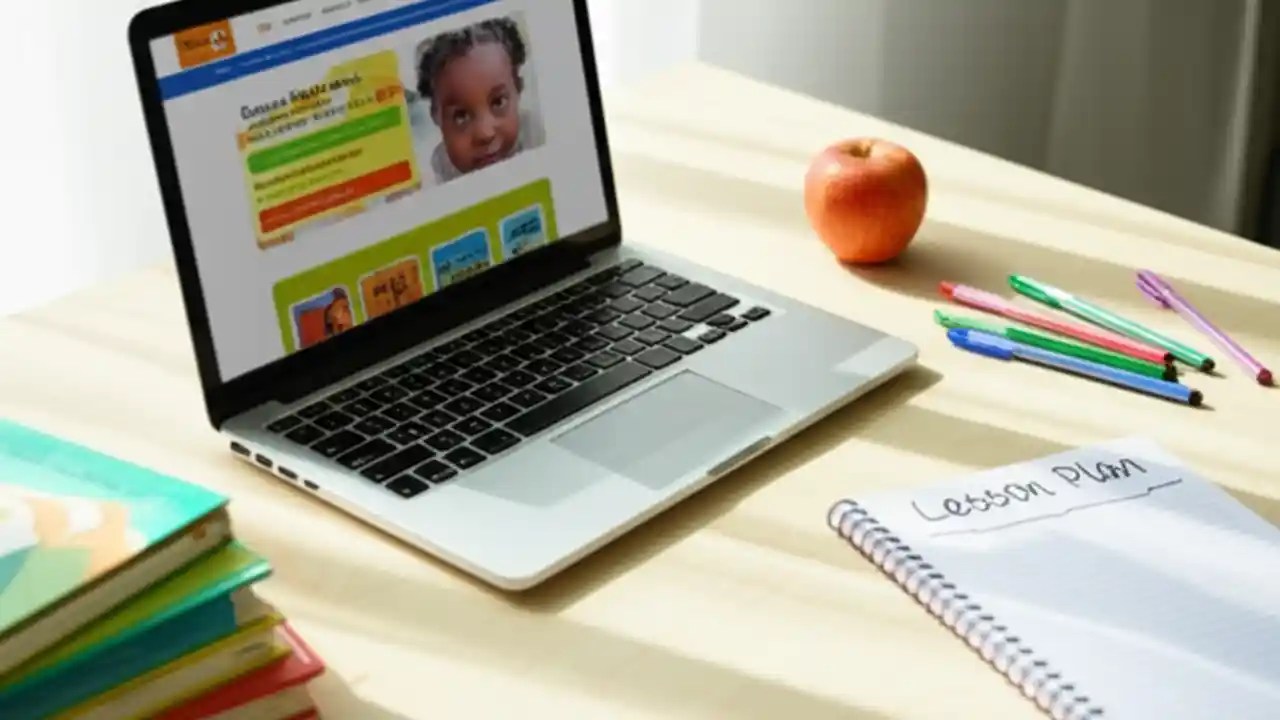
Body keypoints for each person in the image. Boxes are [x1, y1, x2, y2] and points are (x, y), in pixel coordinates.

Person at [415, 17, 544, 182]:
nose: (485, 133)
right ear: (435, 115)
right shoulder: (439, 170)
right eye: (461, 116)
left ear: (518, 88)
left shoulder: (536, 135)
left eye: (498, 102)